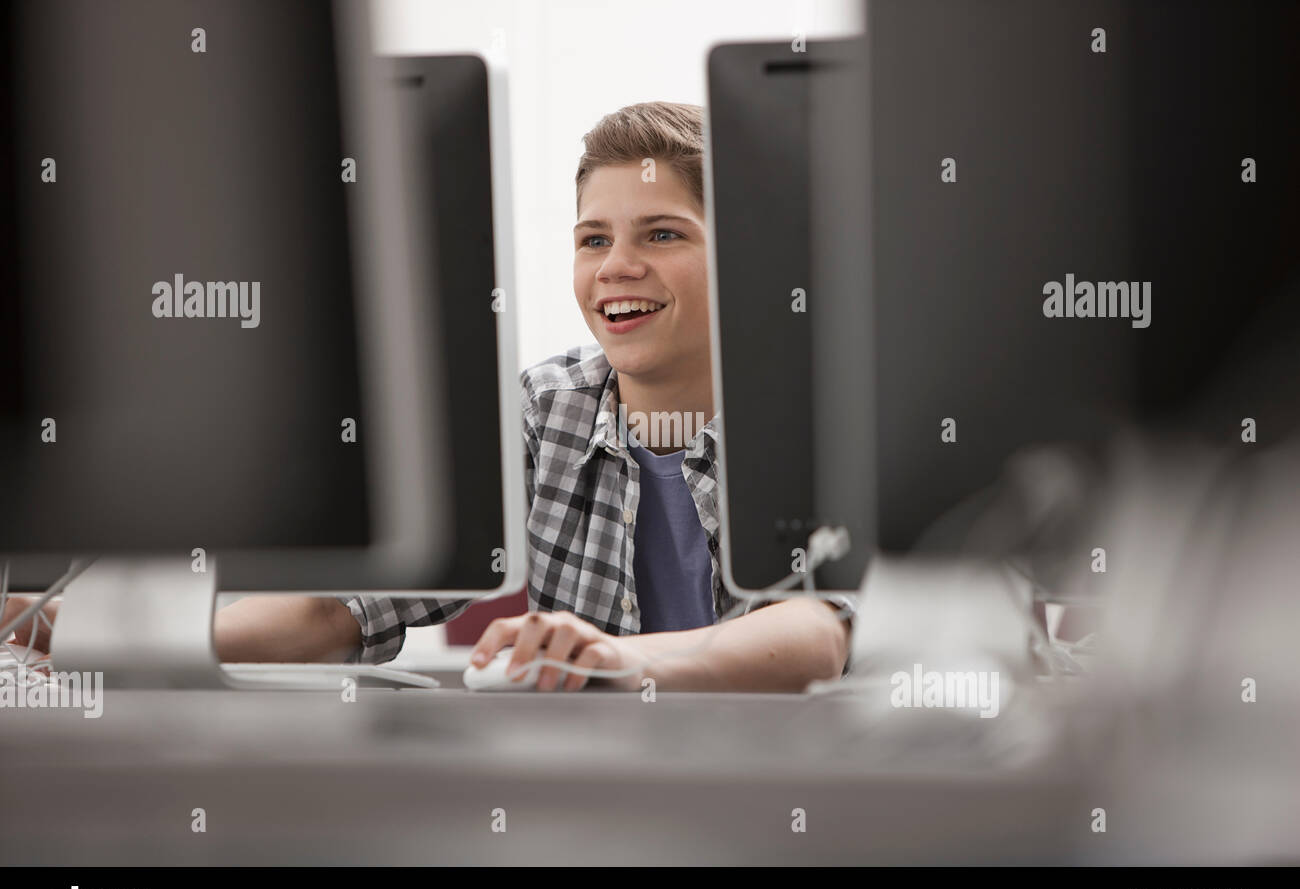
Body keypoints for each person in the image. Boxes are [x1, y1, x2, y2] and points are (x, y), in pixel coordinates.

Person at [2, 103, 851, 693]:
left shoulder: (811, 425)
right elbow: (341, 611)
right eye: (593, 239)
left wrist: (623, 661)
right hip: (586, 789)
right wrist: (68, 632)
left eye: (661, 234)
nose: (616, 267)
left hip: (771, 793)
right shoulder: (546, 408)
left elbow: (815, 631)